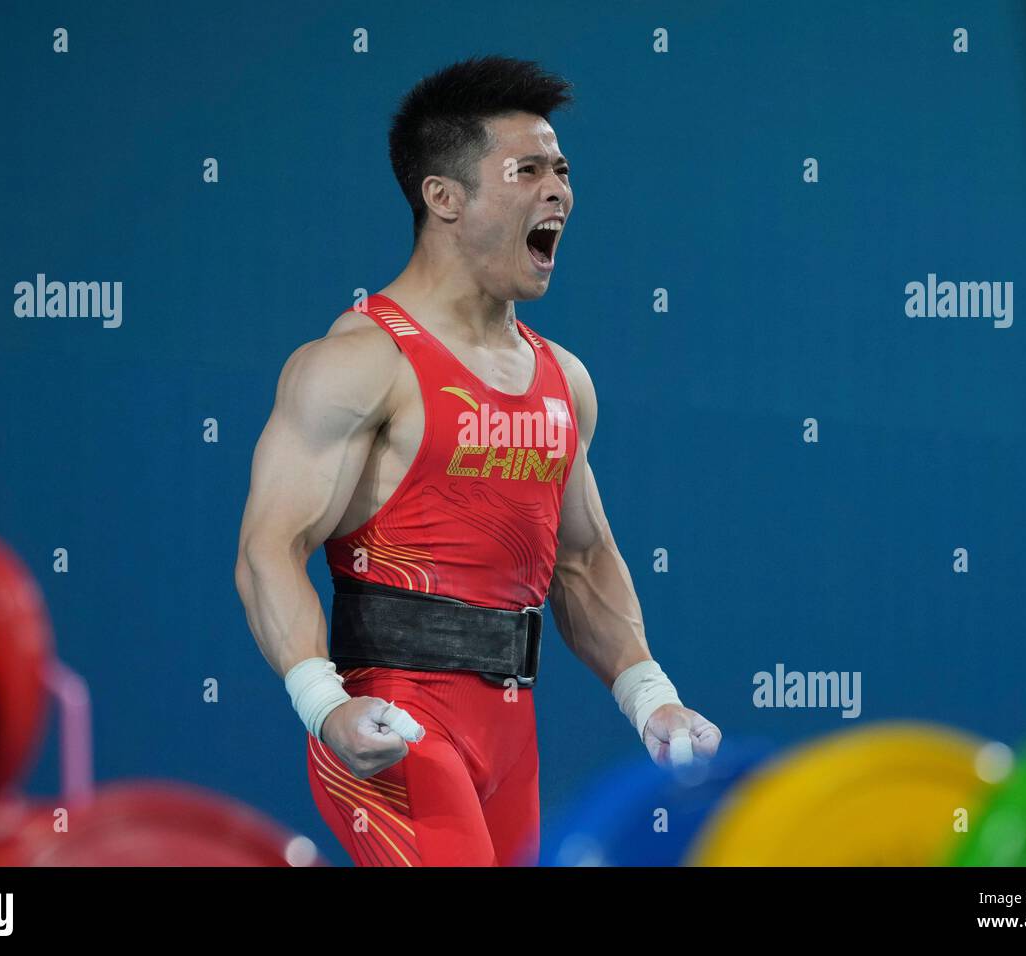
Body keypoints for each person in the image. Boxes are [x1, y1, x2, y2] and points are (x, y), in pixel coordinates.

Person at [235, 55, 720, 866]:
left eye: (561, 170)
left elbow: (582, 561)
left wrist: (651, 701)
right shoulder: (360, 363)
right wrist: (326, 706)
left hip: (510, 739)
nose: (558, 190)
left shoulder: (565, 380)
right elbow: (267, 550)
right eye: (525, 170)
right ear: (444, 197)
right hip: (392, 729)